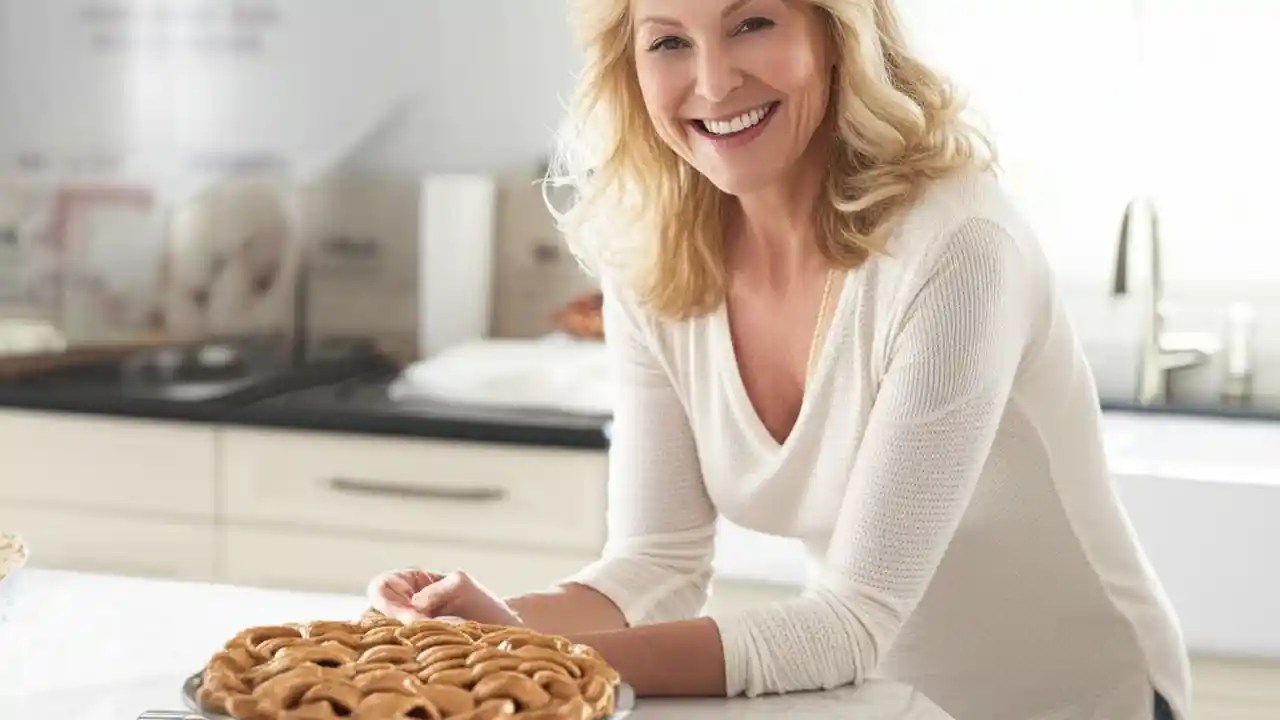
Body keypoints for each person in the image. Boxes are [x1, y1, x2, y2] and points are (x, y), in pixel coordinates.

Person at [368, 1, 1190, 718]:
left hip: (1077, 702)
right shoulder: (651, 255)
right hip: (886, 705)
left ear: (837, 35)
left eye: (752, 24)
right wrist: (475, 631)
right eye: (668, 42)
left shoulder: (956, 247)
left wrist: (535, 663)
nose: (715, 82)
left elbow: (850, 622)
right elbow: (656, 566)